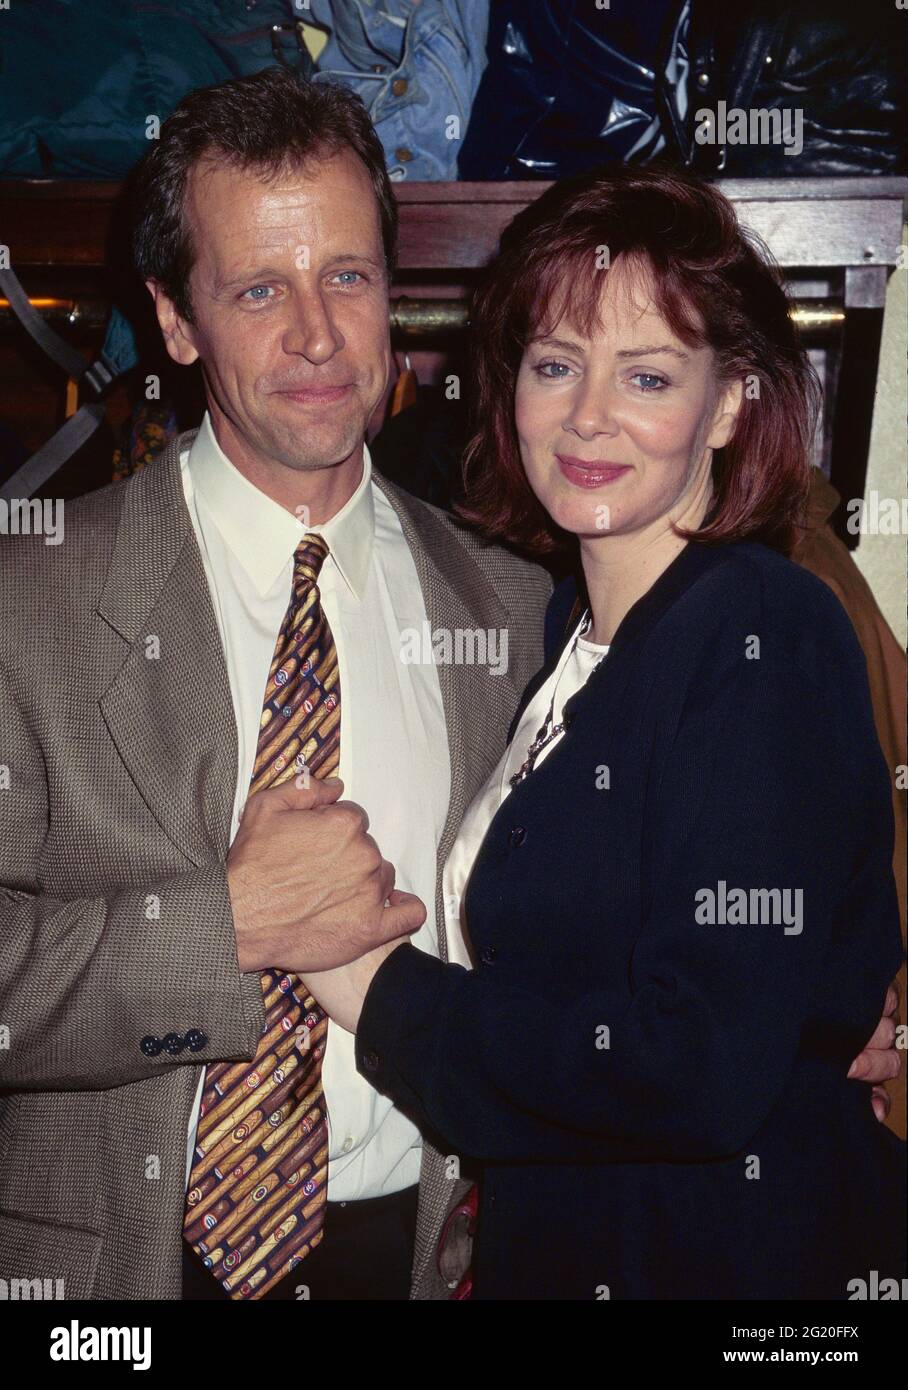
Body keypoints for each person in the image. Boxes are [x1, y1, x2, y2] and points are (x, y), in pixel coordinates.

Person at [300, 164, 907, 1299]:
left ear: (727, 402)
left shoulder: (756, 630)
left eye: (644, 375)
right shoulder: (566, 635)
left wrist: (383, 993)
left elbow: (693, 1068)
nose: (587, 416)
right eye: (554, 365)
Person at [0, 67, 552, 1301]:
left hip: (411, 1258)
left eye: (345, 277)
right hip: (112, 1285)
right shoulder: (20, 599)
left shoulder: (513, 610)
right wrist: (230, 927)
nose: (315, 335)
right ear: (178, 321)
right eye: (259, 288)